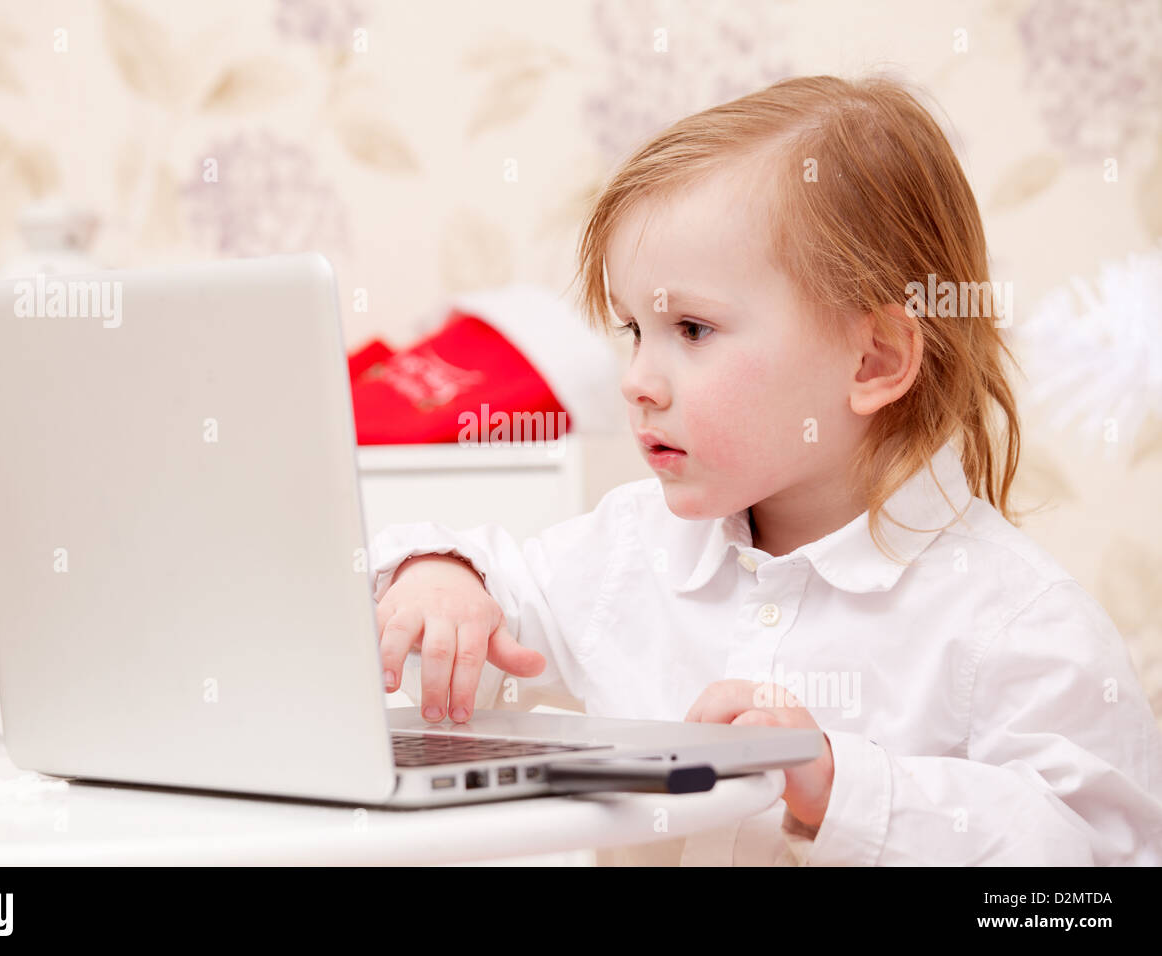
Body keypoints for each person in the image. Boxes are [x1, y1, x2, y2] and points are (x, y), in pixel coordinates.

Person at [369, 74, 1162, 865]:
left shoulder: (1019, 622)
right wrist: (440, 575)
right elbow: (500, 594)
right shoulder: (628, 549)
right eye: (633, 329)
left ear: (874, 358)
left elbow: (1092, 869)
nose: (638, 379)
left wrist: (840, 789)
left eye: (692, 327)